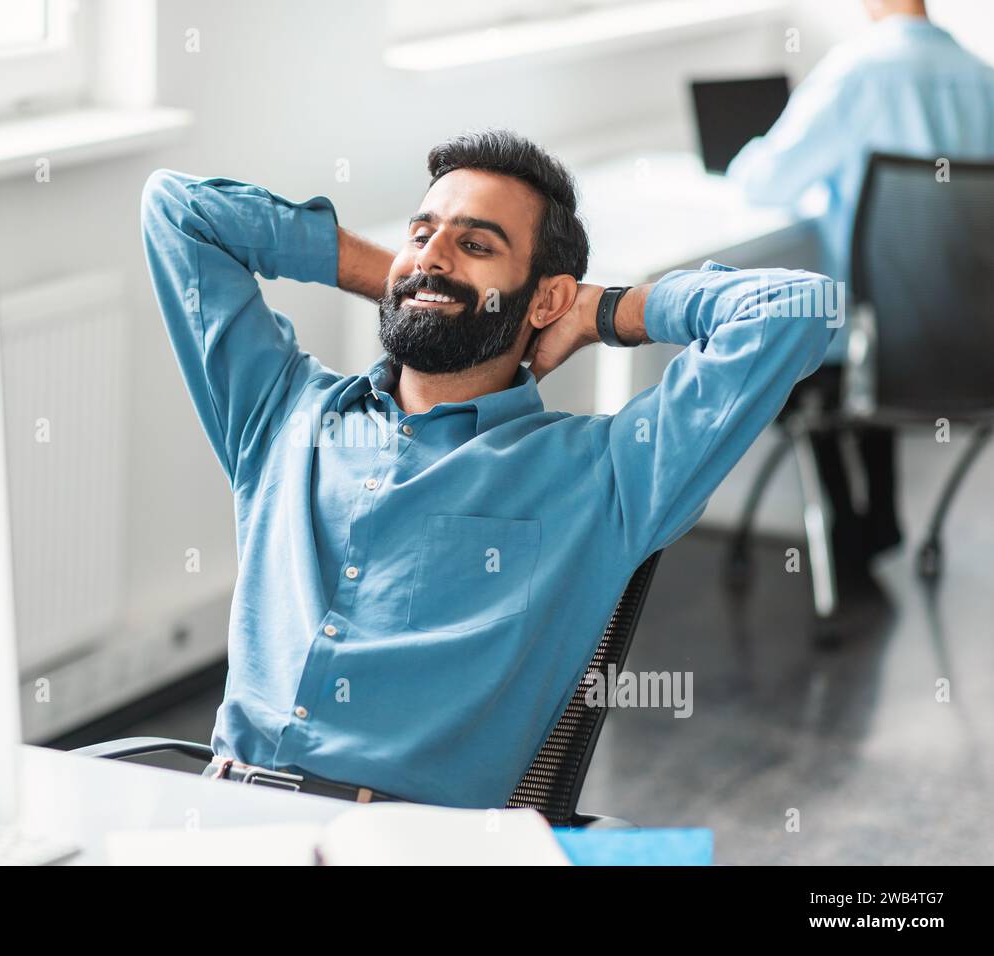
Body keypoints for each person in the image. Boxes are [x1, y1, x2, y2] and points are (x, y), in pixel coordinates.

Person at [142, 129, 834, 808]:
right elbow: (178, 210)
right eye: (423, 232)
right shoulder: (283, 413)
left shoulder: (609, 475)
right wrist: (404, 276)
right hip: (224, 817)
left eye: (476, 244)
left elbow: (802, 309)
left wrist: (608, 310)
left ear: (546, 298)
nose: (435, 254)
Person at [727, 0, 994, 599]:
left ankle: (846, 534)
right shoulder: (984, 79)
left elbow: (766, 180)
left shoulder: (857, 74)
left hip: (873, 351)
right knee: (868, 330)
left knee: (802, 347)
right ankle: (876, 519)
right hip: (968, 349)